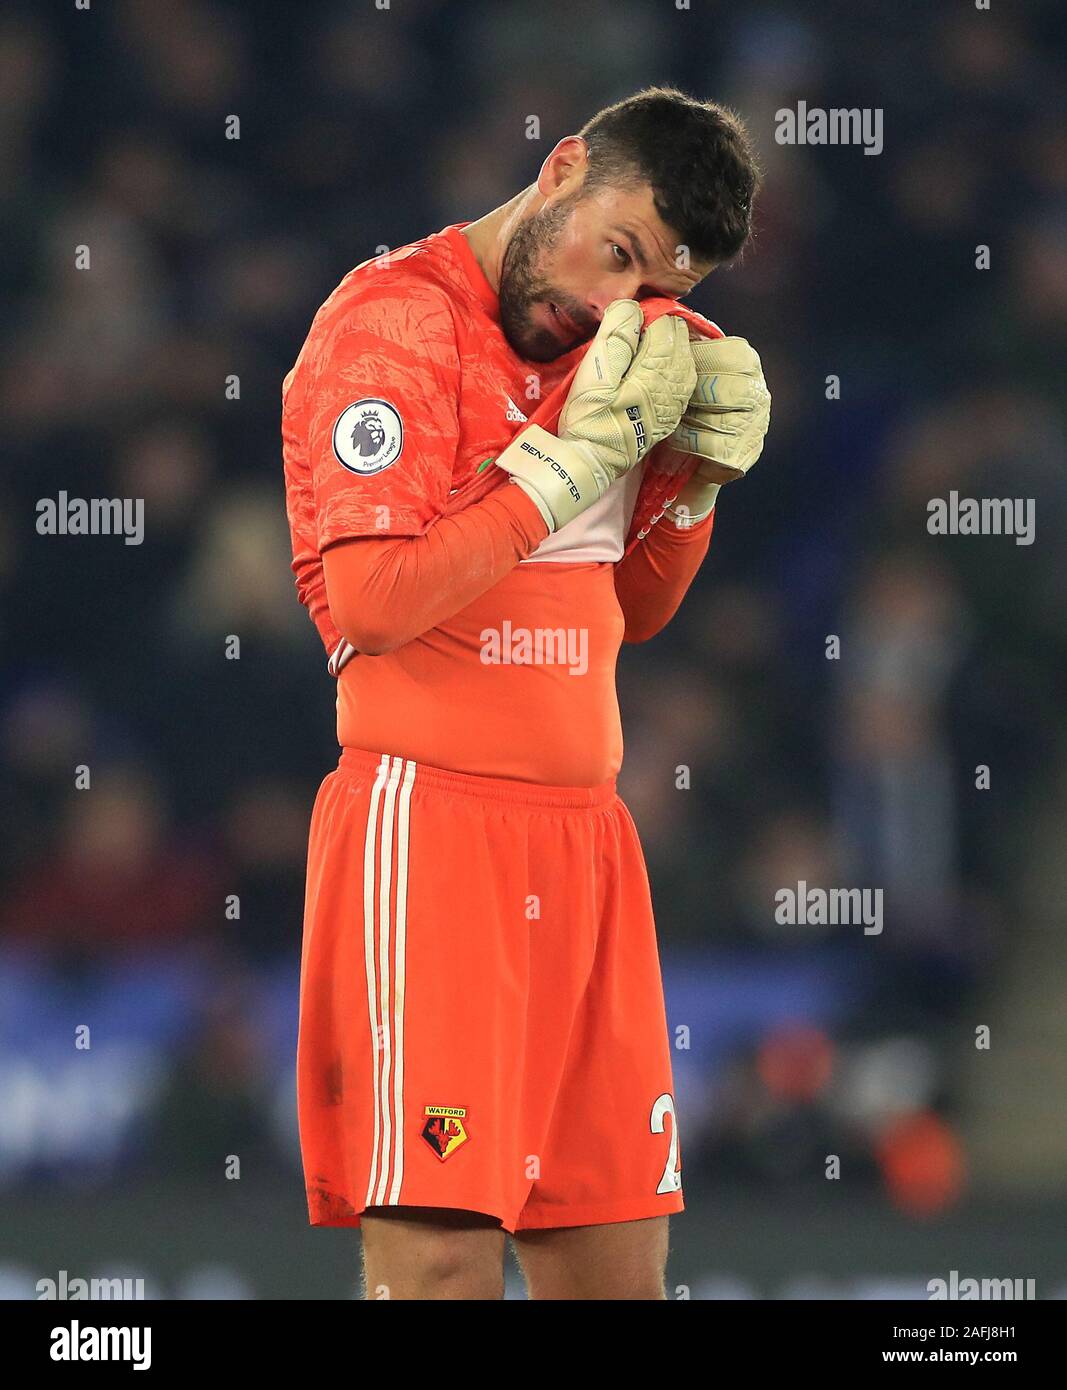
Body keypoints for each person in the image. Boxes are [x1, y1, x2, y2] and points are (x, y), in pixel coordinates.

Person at [281, 86, 770, 1300]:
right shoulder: (394, 324)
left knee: (612, 1270)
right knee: (442, 1261)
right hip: (430, 828)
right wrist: (564, 470)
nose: (618, 302)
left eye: (657, 285)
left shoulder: (640, 348)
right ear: (560, 170)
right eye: (616, 250)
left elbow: (634, 609)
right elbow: (373, 602)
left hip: (587, 844)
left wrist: (689, 490)